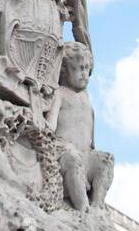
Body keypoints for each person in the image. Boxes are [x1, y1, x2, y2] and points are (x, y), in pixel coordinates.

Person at [47, 41, 114, 211]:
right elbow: (50, 128)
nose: (84, 74)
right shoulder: (60, 93)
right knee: (74, 159)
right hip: (65, 154)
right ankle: (83, 207)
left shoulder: (86, 98)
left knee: (106, 160)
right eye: (78, 69)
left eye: (86, 68)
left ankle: (97, 205)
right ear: (64, 70)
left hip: (86, 155)